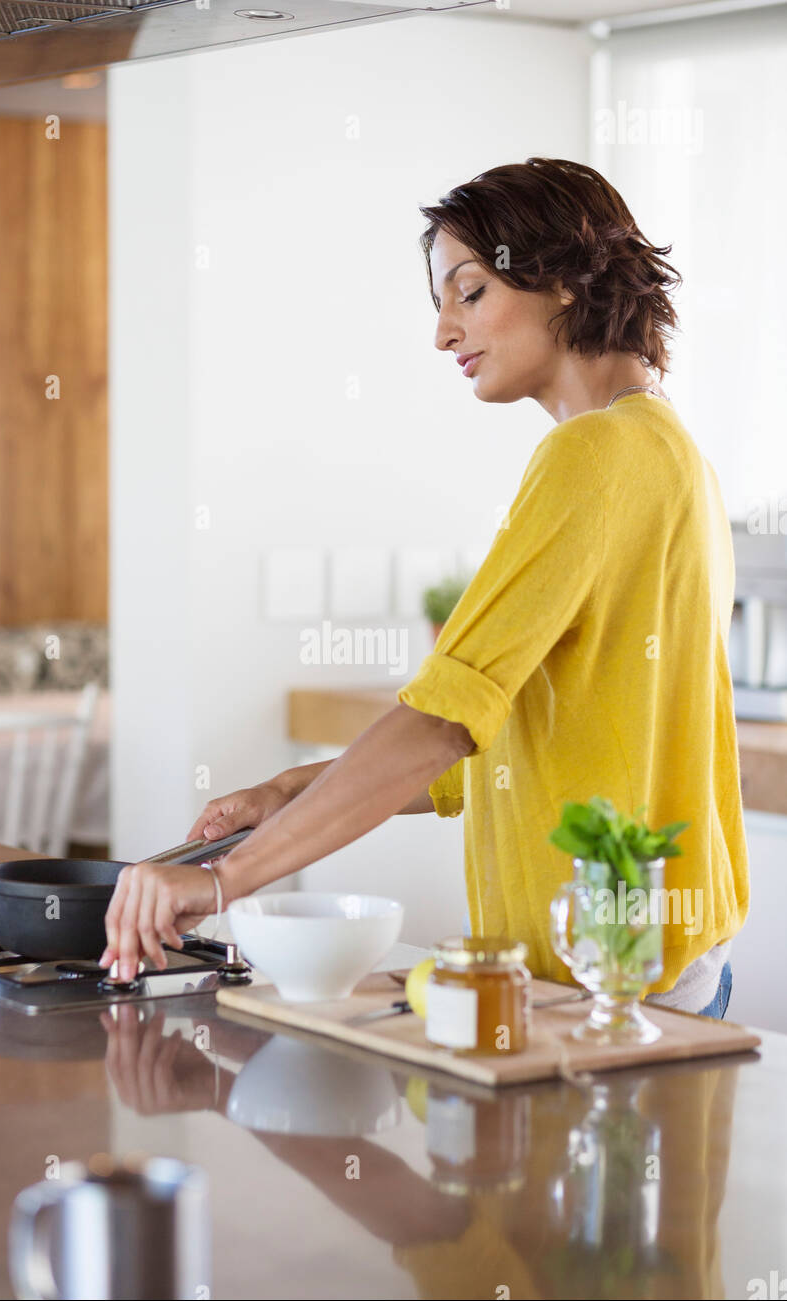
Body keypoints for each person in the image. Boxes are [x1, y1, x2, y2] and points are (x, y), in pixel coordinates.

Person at [101, 156, 749, 1019]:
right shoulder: (670, 453)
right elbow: (493, 749)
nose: (444, 333)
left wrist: (223, 882)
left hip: (609, 991)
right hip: (652, 969)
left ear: (561, 278)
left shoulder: (592, 456)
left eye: (468, 291)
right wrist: (286, 795)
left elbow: (444, 721)